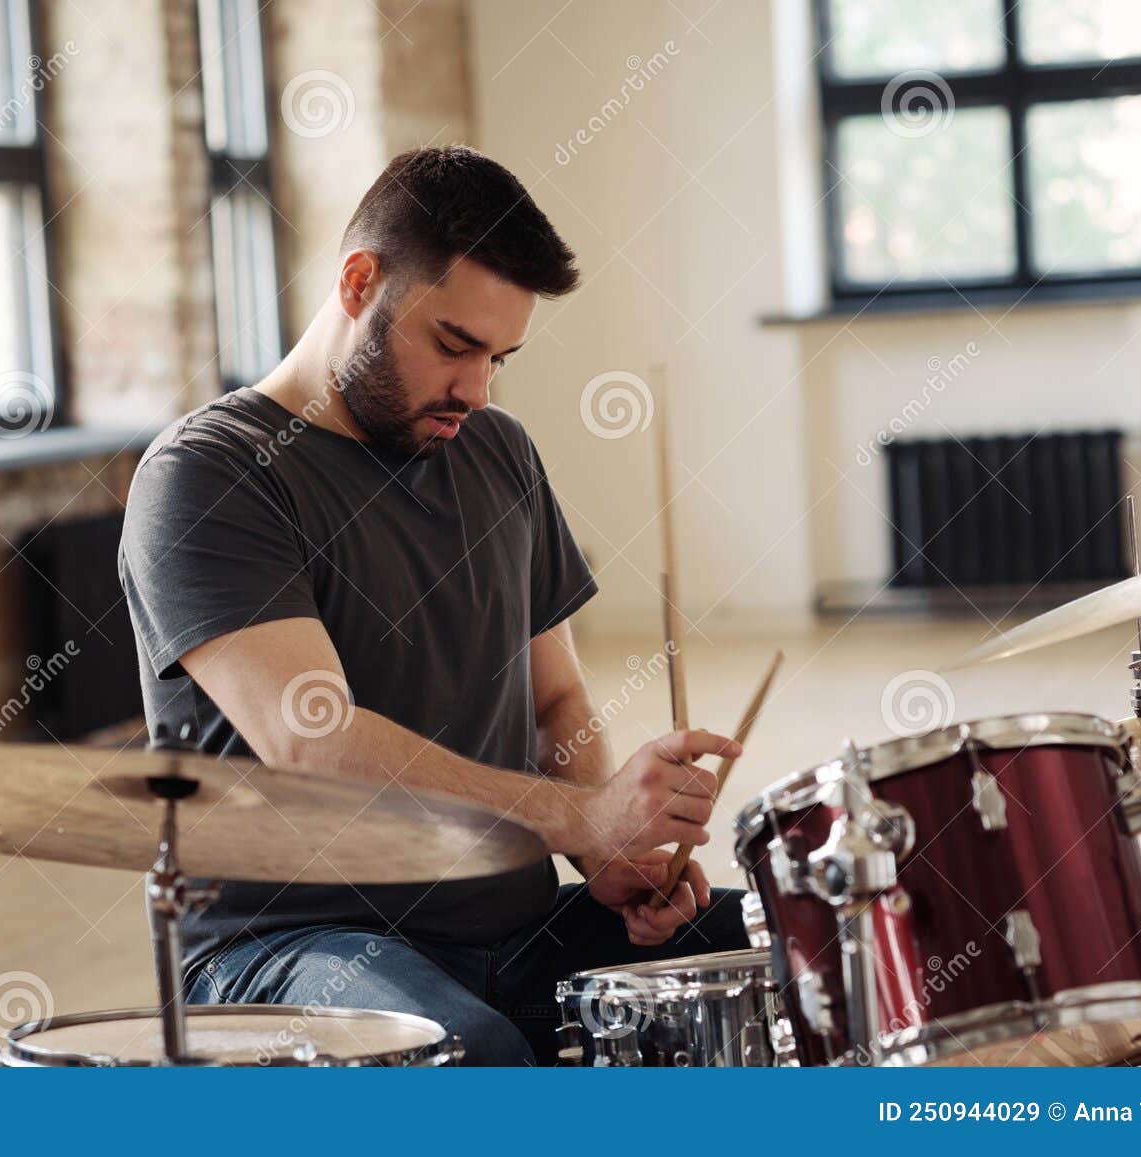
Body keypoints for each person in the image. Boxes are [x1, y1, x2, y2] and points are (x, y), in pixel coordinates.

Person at [118, 146, 748, 1065]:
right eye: (453, 346)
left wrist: (604, 857)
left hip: (513, 925)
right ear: (359, 281)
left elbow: (555, 705)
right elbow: (314, 737)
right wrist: (583, 816)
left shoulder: (498, 451)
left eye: (500, 357)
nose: (476, 390)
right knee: (471, 1058)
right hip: (290, 949)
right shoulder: (209, 474)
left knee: (788, 958)